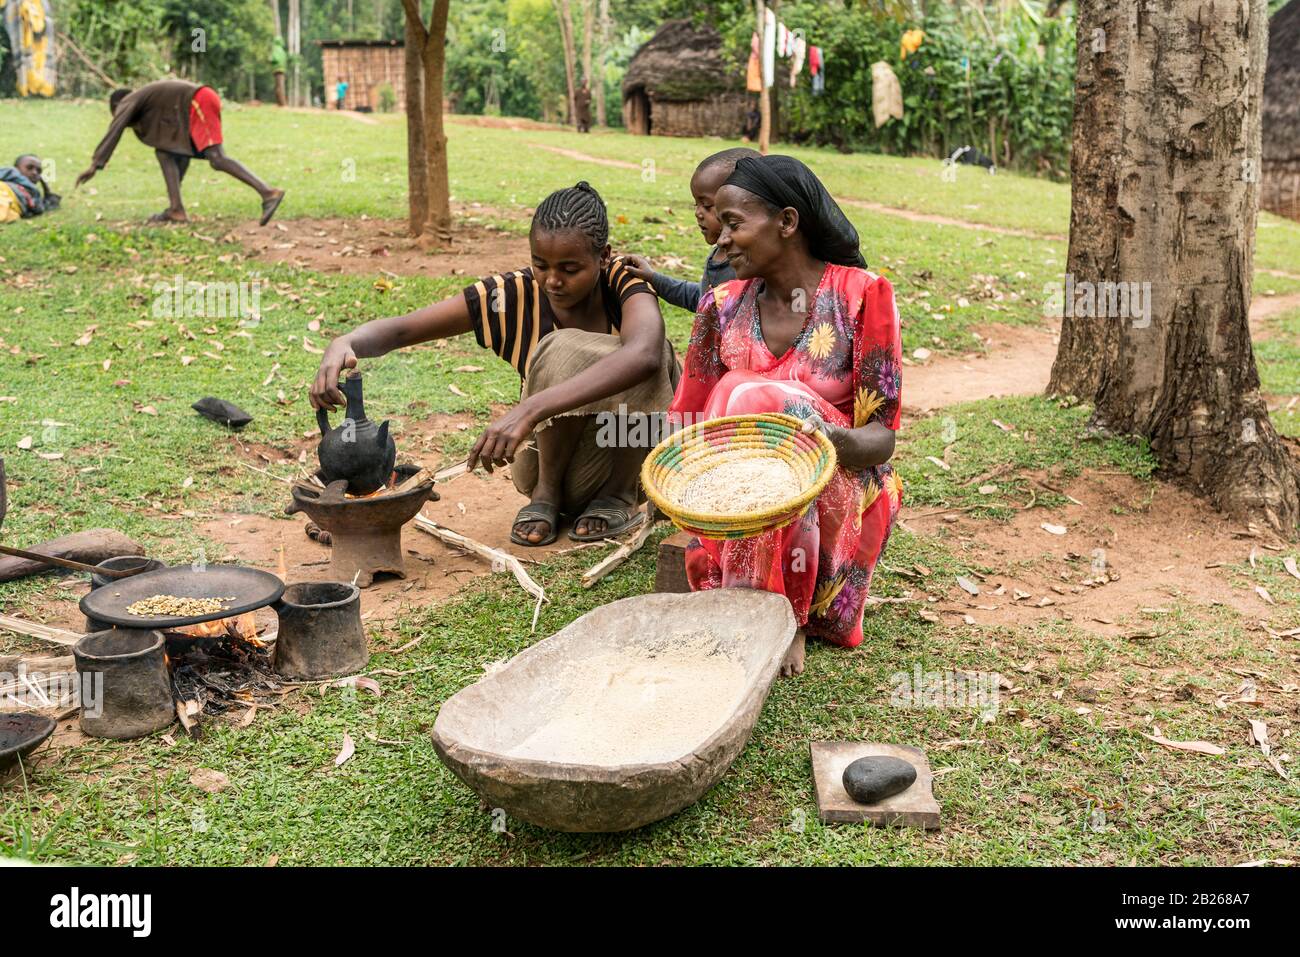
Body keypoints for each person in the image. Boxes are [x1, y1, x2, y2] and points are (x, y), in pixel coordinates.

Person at [310, 182, 676, 547]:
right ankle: (546, 497)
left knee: (656, 352)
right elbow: (404, 330)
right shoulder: (511, 295)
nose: (552, 280)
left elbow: (644, 354)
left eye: (570, 268)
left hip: (621, 457)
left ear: (603, 256)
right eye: (540, 264)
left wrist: (529, 410)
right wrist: (345, 342)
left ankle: (618, 497)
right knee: (558, 350)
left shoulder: (622, 281)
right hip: (547, 466)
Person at [668, 155, 902, 677]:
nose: (719, 239)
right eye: (719, 224)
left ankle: (784, 613)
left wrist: (813, 438)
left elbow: (881, 438)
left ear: (787, 222)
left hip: (838, 487)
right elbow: (687, 422)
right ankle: (751, 596)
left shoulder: (861, 295)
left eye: (733, 224)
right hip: (737, 502)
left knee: (750, 396)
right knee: (736, 392)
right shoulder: (720, 305)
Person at [75, 80, 285, 226]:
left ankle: (268, 193)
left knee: (217, 158)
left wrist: (96, 164)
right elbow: (173, 142)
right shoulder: (148, 99)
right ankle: (176, 210)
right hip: (195, 102)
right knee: (165, 152)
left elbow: (116, 128)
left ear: (117, 106)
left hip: (199, 100)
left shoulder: (126, 101)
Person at [622, 147, 759, 314]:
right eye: (696, 204)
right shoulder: (717, 253)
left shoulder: (751, 267)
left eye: (707, 205)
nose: (698, 213)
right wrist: (653, 278)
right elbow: (704, 301)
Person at [0, 154, 59, 222]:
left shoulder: (34, 192)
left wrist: (45, 186)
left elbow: (44, 207)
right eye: (29, 168)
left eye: (39, 171)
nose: (34, 172)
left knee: (11, 216)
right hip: (3, 191)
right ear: (17, 168)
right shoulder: (12, 172)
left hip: (13, 206)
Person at [272, 36, 288, 107]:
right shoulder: (282, 50)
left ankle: (281, 103)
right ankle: (281, 103)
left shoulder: (276, 49)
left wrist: (270, 60)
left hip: (277, 70)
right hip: (282, 70)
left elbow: (275, 58)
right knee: (281, 86)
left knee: (278, 87)